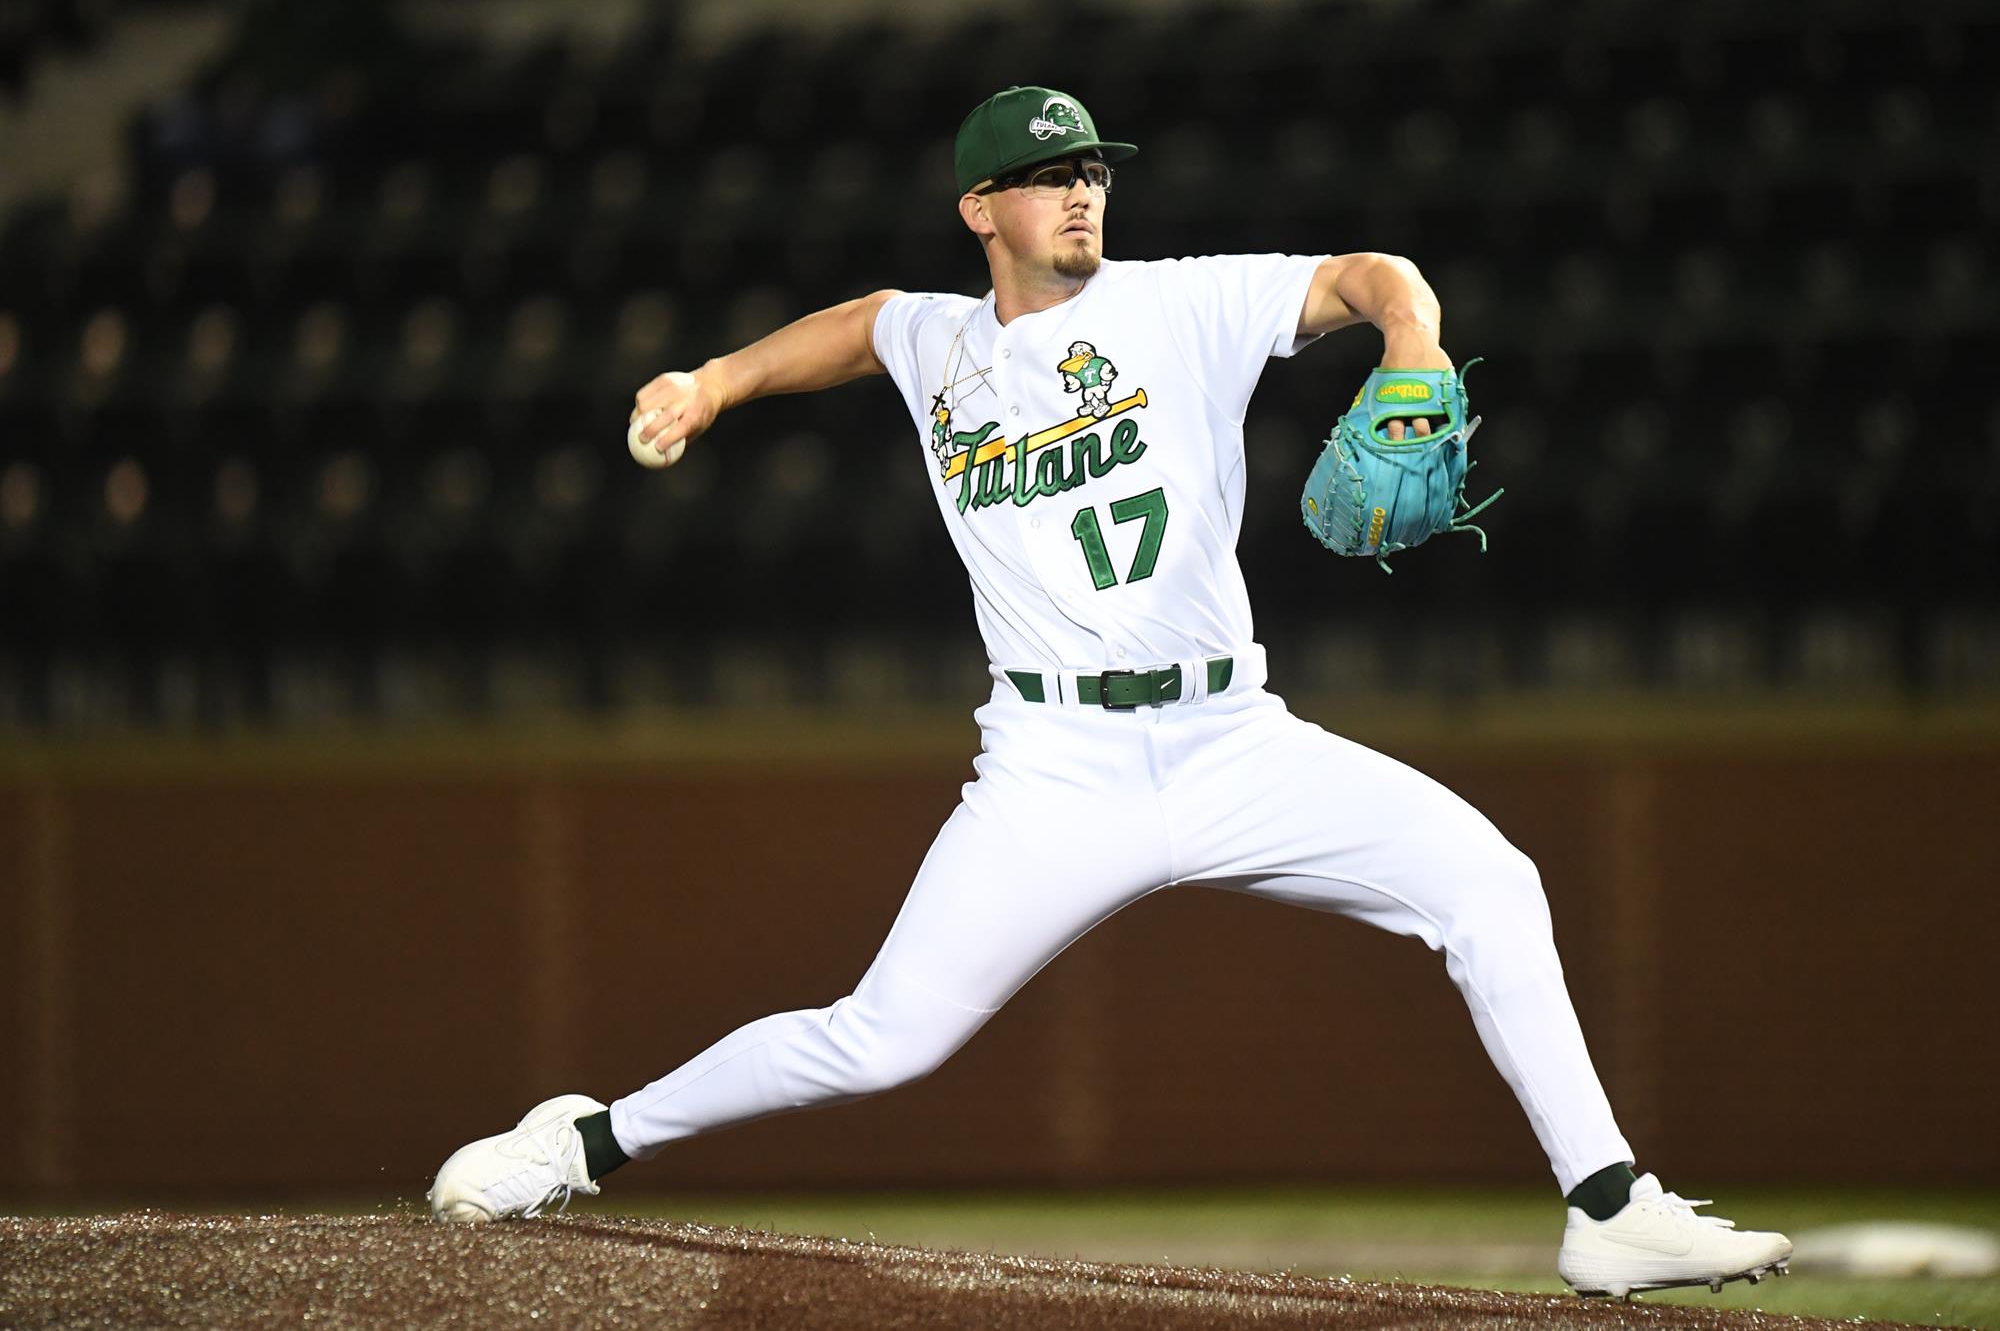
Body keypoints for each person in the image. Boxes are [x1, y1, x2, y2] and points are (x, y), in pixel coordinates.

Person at [429, 85, 1790, 1300]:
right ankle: (584, 1136)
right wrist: (716, 380)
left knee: (1491, 882)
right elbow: (859, 328)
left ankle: (1611, 1209)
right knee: (880, 1039)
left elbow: (1375, 273)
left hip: (1230, 736)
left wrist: (1414, 342)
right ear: (981, 208)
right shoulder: (940, 342)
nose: (1082, 188)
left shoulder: (1181, 300)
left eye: (1093, 168)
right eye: (1048, 172)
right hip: (1053, 767)